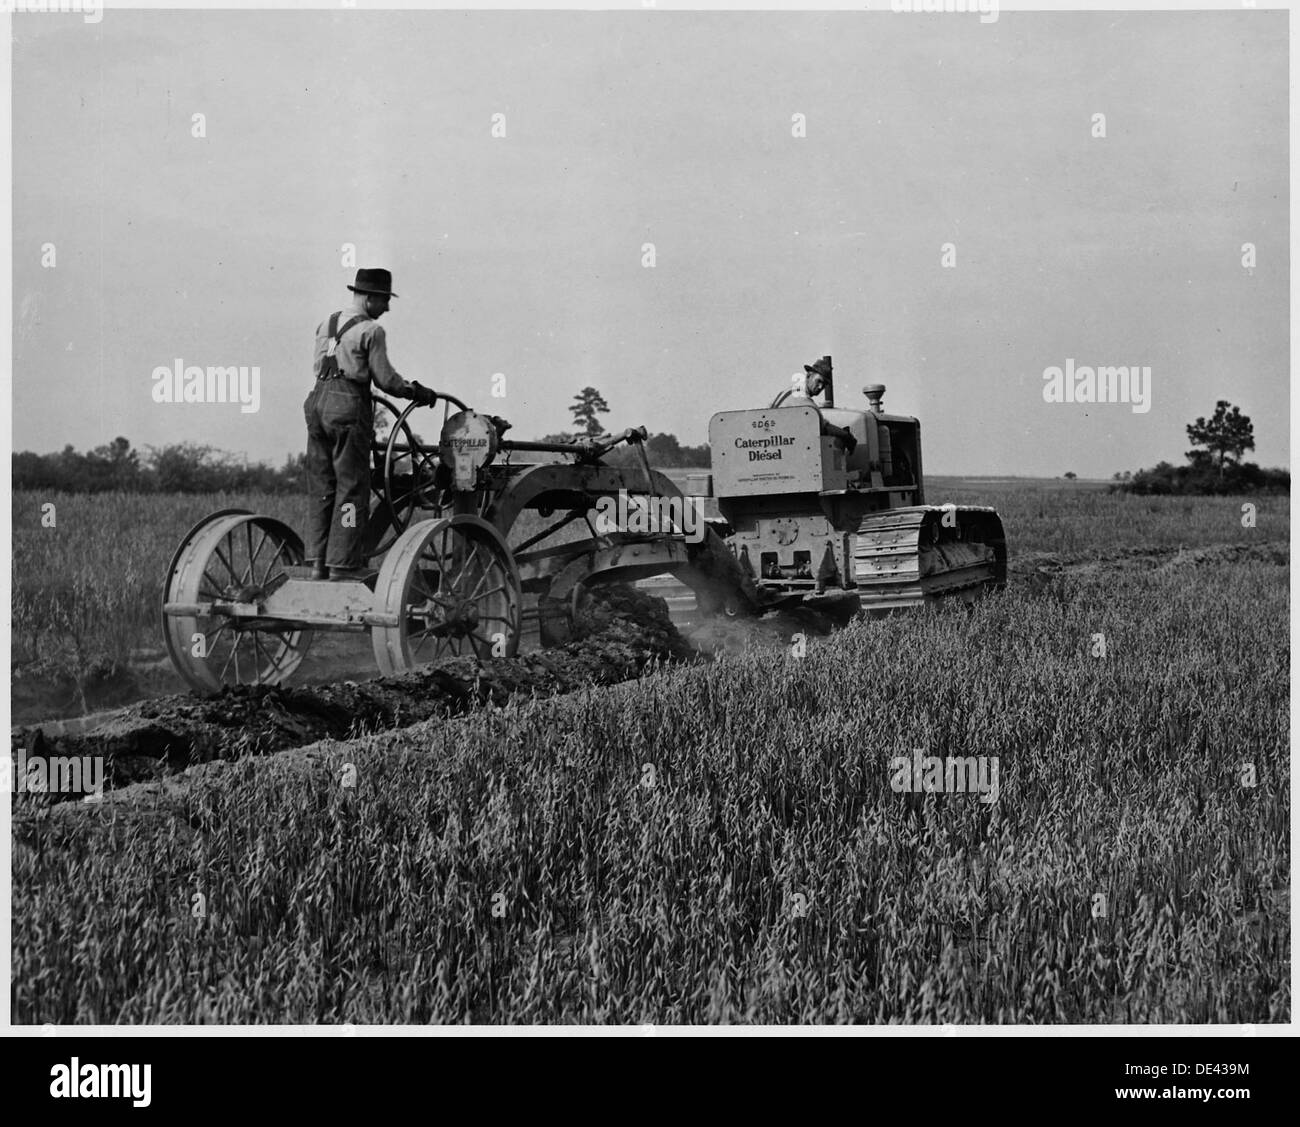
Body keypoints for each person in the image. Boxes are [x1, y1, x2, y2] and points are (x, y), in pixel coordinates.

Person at [304, 268, 438, 580]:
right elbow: (387, 380)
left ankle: (316, 563)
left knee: (322, 486)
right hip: (348, 407)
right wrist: (416, 391)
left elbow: (317, 366)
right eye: (384, 301)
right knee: (351, 488)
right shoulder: (371, 331)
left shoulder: (327, 323)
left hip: (317, 403)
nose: (387, 308)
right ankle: (342, 565)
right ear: (369, 298)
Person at [770, 357, 857, 453]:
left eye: (824, 385)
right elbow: (821, 427)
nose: (820, 387)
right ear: (809, 376)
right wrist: (846, 435)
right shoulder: (803, 401)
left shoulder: (788, 392)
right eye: (818, 381)